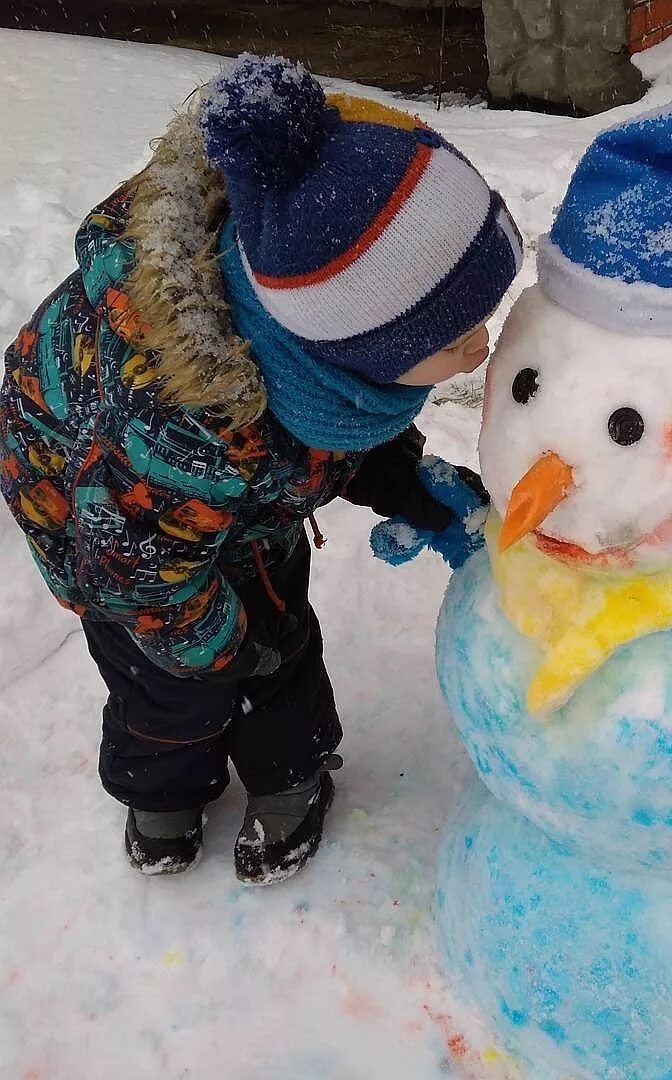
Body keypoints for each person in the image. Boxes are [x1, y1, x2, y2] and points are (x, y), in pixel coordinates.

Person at [0, 54, 522, 883]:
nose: (482, 346)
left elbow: (326, 433)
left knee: (274, 625)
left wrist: (403, 482)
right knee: (172, 677)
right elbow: (135, 572)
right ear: (359, 345)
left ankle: (289, 774)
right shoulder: (185, 427)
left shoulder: (301, 335)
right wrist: (221, 647)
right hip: (112, 526)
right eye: (454, 337)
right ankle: (161, 790)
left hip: (201, 495)